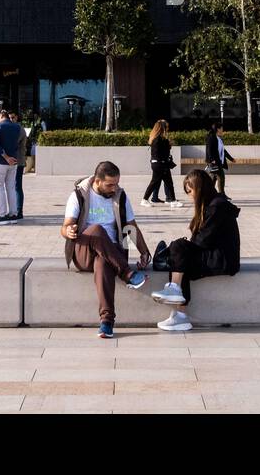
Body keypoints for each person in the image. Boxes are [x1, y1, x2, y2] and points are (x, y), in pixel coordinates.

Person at [60, 161, 150, 339]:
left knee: (103, 262)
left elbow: (130, 226)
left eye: (117, 183)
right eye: (110, 184)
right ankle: (126, 273)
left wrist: (144, 252)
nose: (114, 188)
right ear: (97, 181)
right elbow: (64, 228)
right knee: (96, 229)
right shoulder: (79, 195)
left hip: (111, 252)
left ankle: (106, 322)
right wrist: (68, 231)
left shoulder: (120, 196)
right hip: (83, 251)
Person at [151, 169, 242, 331]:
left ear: (199, 189)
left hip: (223, 260)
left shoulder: (217, 207)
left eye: (190, 191)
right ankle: (180, 315)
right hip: (215, 256)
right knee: (179, 259)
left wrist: (178, 247)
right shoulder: (210, 205)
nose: (189, 195)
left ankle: (175, 294)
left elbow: (202, 241)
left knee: (179, 249)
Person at [0, 110, 24, 223]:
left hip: (1, 161)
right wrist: (10, 158)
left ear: (0, 116)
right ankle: (13, 214)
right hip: (13, 162)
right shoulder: (17, 127)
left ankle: (2, 215)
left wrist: (5, 156)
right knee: (11, 188)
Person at [143, 119, 180, 205]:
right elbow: (162, 153)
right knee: (156, 182)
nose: (167, 129)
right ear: (162, 128)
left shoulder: (157, 139)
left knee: (167, 182)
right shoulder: (159, 140)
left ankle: (172, 200)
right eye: (166, 127)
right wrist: (168, 145)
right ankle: (145, 199)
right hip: (160, 164)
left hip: (159, 164)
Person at [10, 111, 27, 220]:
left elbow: (14, 143)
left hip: (18, 161)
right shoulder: (11, 129)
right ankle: (14, 209)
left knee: (17, 186)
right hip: (12, 161)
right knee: (12, 186)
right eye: (9, 117)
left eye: (13, 117)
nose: (11, 119)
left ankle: (19, 210)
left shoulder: (19, 129)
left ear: (17, 118)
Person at [205, 122, 228, 195]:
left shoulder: (217, 138)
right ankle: (221, 194)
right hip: (214, 161)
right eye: (221, 129)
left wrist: (230, 158)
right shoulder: (211, 137)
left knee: (213, 179)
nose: (222, 130)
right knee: (221, 177)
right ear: (218, 129)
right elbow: (209, 149)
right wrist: (212, 160)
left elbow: (222, 150)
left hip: (217, 161)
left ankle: (208, 194)